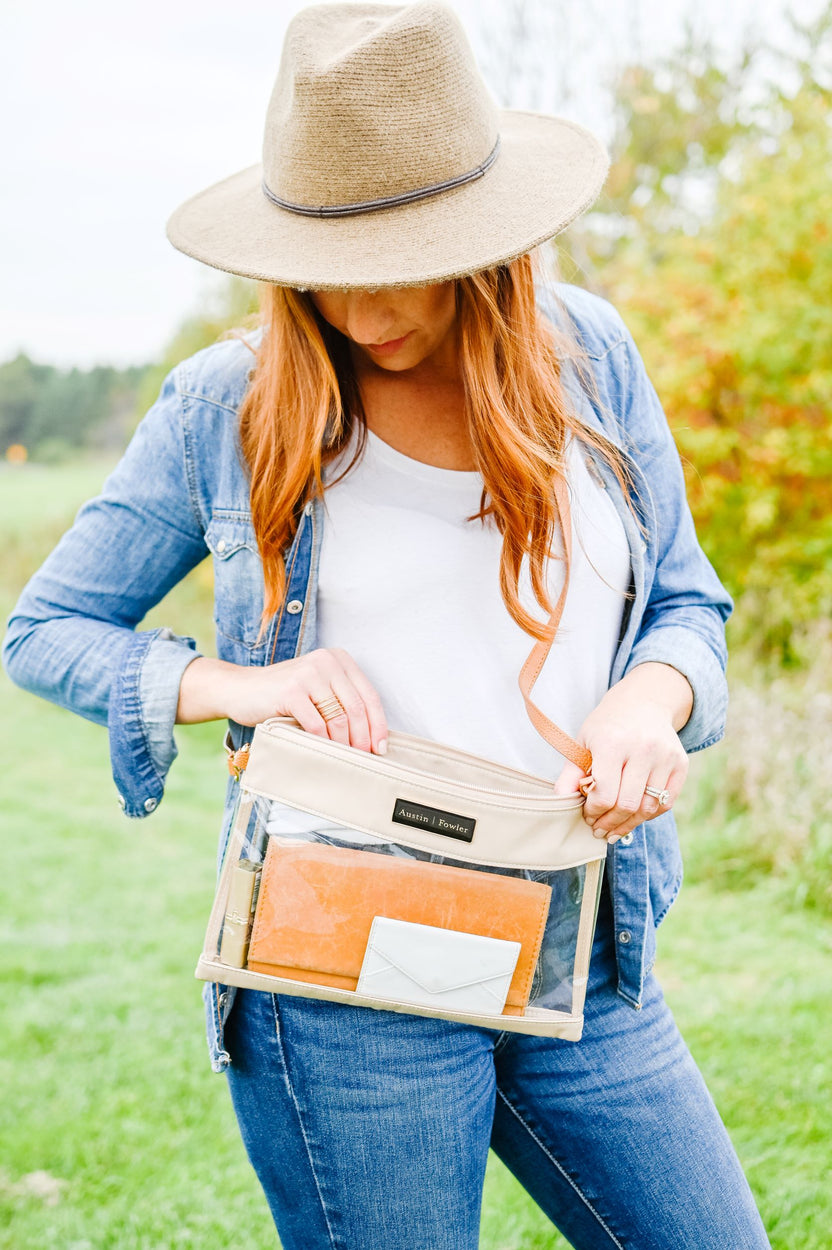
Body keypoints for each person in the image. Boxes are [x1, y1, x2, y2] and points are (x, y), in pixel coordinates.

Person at [2, 3, 771, 1247]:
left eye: (400, 261)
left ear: (489, 239)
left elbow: (686, 598)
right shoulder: (228, 400)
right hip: (341, 965)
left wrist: (649, 699)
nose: (359, 315)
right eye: (326, 271)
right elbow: (44, 628)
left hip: (585, 937)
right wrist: (236, 686)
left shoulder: (592, 359)